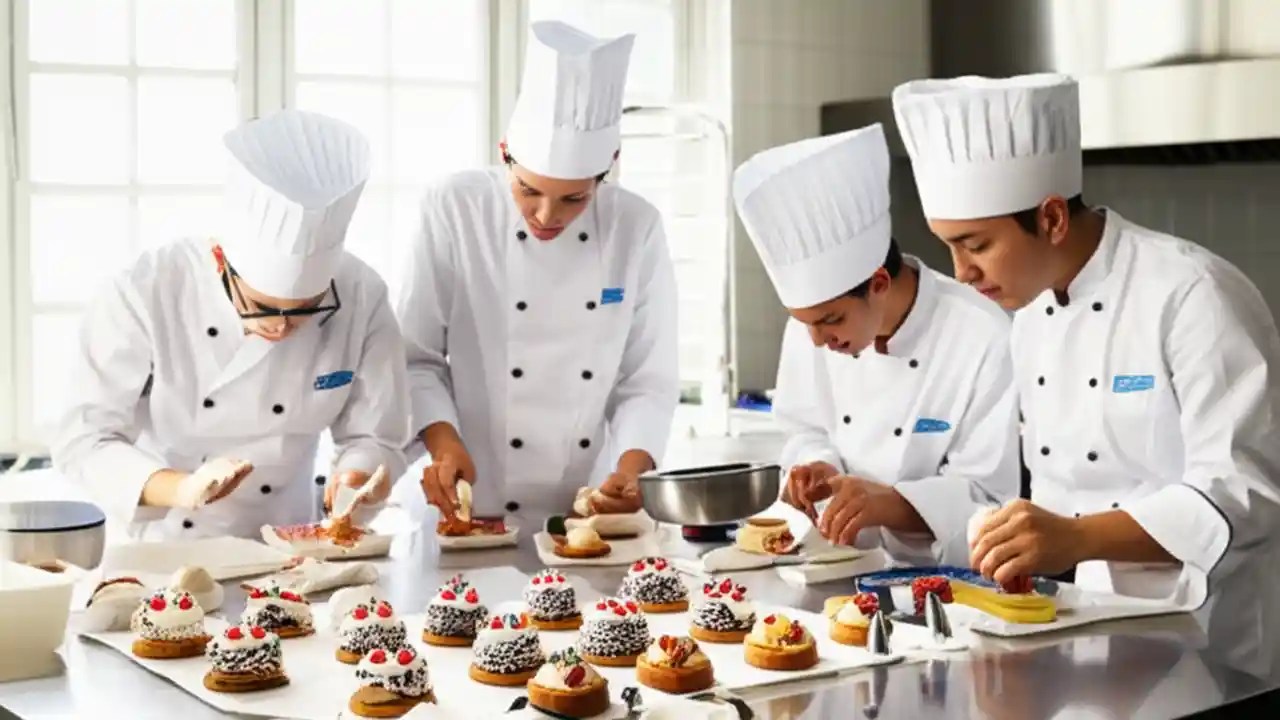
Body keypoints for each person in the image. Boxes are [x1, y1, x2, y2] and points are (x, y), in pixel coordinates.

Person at [893, 73, 1280, 674]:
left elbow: (1245, 493)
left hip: (1210, 648)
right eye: (949, 248)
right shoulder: (1029, 311)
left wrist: (1075, 538)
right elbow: (1056, 491)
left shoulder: (1192, 294)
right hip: (1079, 637)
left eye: (976, 245)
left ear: (1050, 219)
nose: (961, 273)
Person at [52, 110, 411, 540]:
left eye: (306, 309)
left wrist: (358, 475)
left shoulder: (362, 294)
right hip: (166, 548)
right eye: (263, 307)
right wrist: (182, 488)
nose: (283, 329)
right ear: (222, 261)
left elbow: (377, 434)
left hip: (288, 546)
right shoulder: (145, 291)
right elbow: (83, 441)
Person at [395, 21, 679, 523]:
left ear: (606, 169)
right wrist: (443, 444)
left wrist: (633, 469)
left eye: (574, 198)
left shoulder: (636, 226)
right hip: (471, 501)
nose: (548, 216)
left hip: (591, 511)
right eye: (528, 190)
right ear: (505, 153)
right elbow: (415, 359)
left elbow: (647, 380)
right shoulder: (455, 207)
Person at [732, 123, 1019, 566]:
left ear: (879, 282)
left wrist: (887, 505)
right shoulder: (812, 328)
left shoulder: (980, 332)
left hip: (946, 588)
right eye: (804, 323)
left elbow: (990, 500)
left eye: (831, 320)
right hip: (836, 570)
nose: (818, 341)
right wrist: (818, 468)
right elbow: (804, 428)